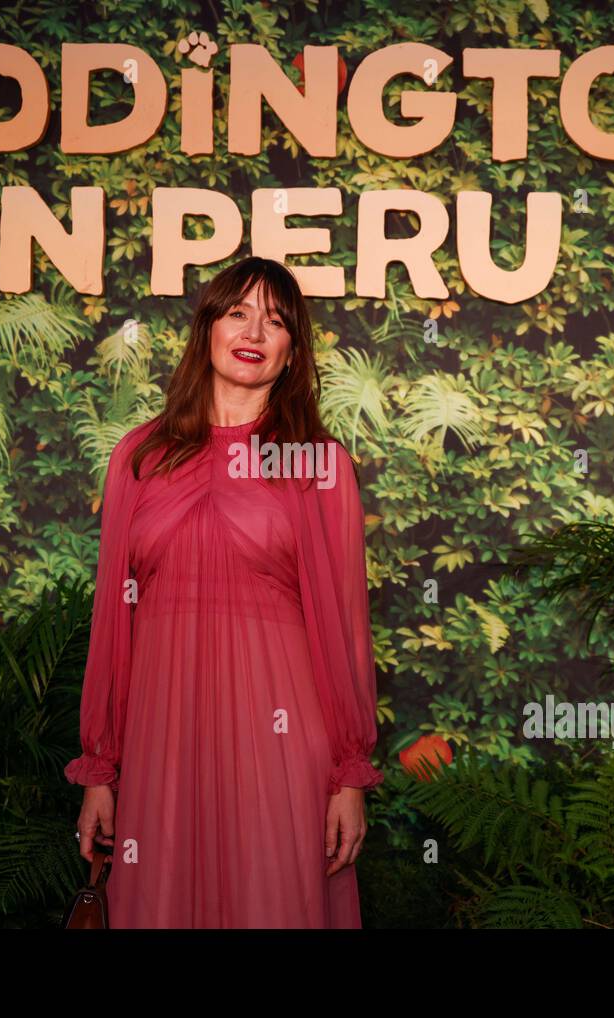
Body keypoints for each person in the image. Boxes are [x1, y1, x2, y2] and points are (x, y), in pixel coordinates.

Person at [64, 255, 384, 928]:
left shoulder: (319, 465)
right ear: (206, 329)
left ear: (293, 351)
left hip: (281, 741)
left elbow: (344, 628)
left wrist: (349, 774)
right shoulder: (140, 457)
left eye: (276, 321)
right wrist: (100, 767)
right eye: (237, 311)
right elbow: (112, 624)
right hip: (162, 743)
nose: (255, 331)